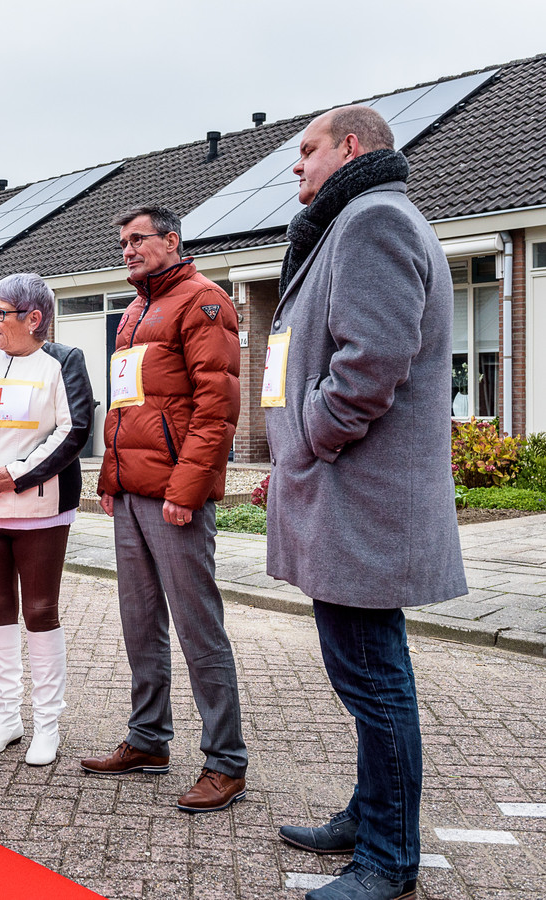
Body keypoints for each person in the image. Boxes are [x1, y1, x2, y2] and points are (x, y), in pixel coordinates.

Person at [266, 105, 466, 900]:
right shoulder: (361, 219)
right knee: (364, 672)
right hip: (345, 495)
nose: (296, 166)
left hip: (359, 499)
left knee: (373, 678)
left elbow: (369, 365)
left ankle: (387, 858)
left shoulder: (372, 220)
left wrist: (309, 435)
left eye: (307, 150)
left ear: (350, 147)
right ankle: (366, 812)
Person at [83, 205, 248, 814]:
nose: (128, 249)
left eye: (138, 239)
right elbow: (127, 407)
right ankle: (149, 739)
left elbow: (217, 407)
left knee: (197, 625)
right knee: (139, 622)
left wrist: (187, 489)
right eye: (121, 241)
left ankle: (225, 760)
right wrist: (110, 474)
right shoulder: (132, 312)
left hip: (174, 498)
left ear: (172, 240)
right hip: (131, 494)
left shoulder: (204, 302)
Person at [0, 273, 92, 765]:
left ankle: (47, 724)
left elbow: (73, 432)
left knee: (41, 611)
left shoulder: (64, 361)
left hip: (39, 508)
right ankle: (7, 718)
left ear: (34, 318)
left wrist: (14, 475)